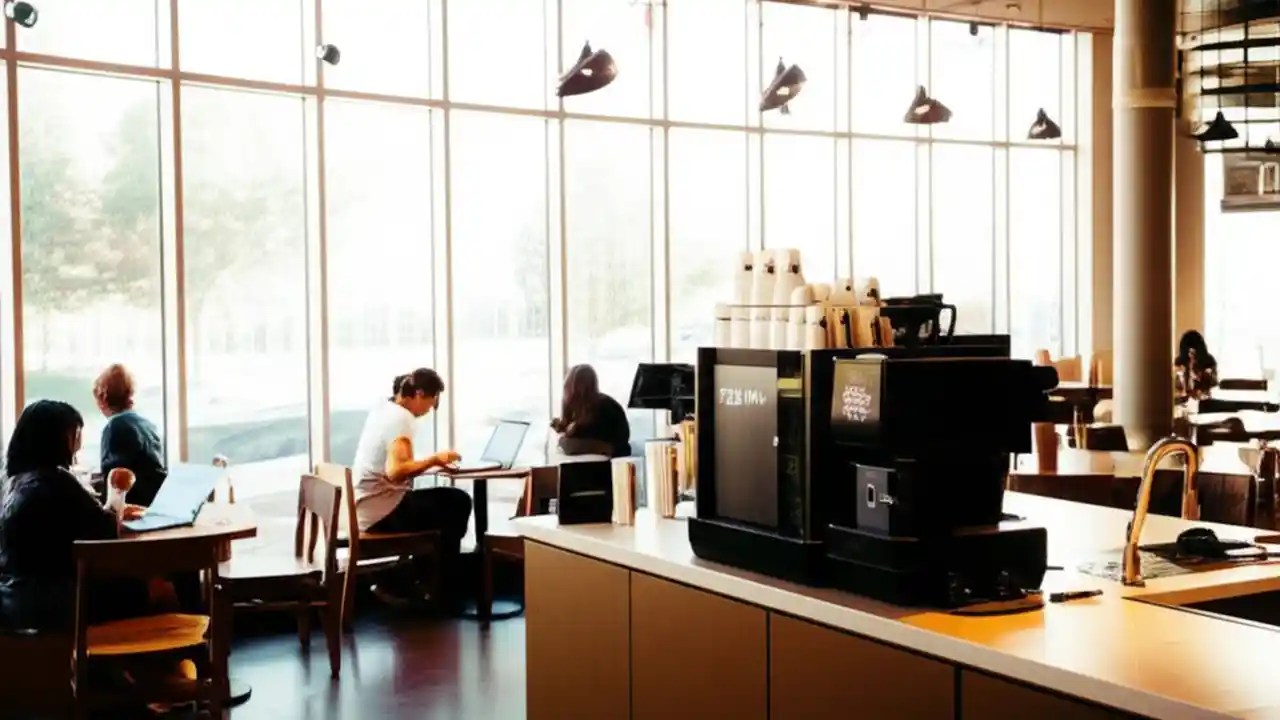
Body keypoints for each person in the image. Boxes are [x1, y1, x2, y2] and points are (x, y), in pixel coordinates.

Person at [0, 400, 147, 630]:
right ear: (57, 438)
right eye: (74, 433)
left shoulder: (11, 484)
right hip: (60, 606)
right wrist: (116, 490)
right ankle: (173, 661)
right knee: (153, 587)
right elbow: (107, 529)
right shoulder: (56, 479)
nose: (77, 443)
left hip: (13, 606)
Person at [351, 368, 471, 603]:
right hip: (383, 512)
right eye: (431, 401)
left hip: (366, 506)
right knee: (458, 502)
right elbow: (396, 471)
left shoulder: (384, 409)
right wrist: (435, 460)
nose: (429, 410)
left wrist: (426, 465)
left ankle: (414, 579)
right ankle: (439, 589)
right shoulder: (401, 419)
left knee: (442, 504)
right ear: (418, 394)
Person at [94, 364, 167, 507]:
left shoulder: (114, 427)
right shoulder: (148, 425)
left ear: (102, 399)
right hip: (154, 502)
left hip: (132, 506)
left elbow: (115, 480)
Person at [550, 364, 632, 458]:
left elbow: (571, 447)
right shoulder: (590, 406)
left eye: (567, 387)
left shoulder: (604, 409)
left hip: (611, 464)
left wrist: (562, 438)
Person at [1175, 330, 1219, 400]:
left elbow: (1214, 383)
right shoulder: (1180, 362)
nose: (1192, 354)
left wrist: (1204, 375)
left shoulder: (1208, 361)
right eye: (1189, 351)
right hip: (1184, 402)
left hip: (1204, 401)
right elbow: (1177, 386)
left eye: (1194, 352)